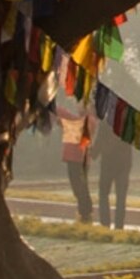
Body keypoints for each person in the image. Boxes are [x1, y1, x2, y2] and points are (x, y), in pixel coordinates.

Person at [56, 96, 94, 224]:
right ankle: (84, 211)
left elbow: (72, 122)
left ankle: (86, 211)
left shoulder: (90, 120)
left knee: (79, 186)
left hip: (78, 158)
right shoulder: (80, 120)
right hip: (75, 157)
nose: (78, 107)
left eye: (81, 104)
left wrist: (58, 110)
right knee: (79, 186)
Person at [93, 112, 134, 230]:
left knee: (104, 194)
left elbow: (100, 141)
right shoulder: (128, 122)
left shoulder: (106, 121)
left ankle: (105, 224)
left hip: (108, 163)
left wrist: (93, 153)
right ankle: (119, 225)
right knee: (121, 196)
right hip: (124, 164)